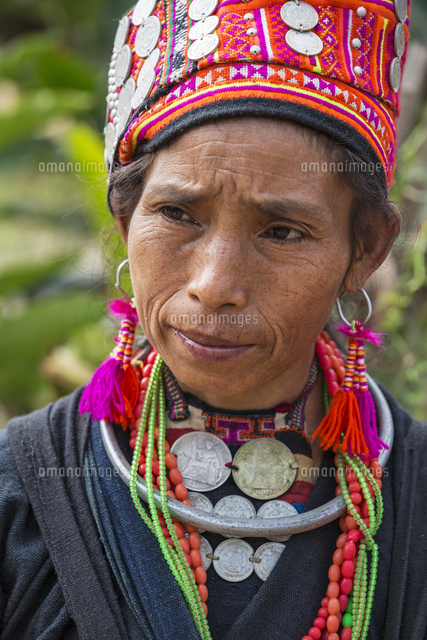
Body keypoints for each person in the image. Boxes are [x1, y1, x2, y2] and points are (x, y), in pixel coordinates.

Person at [1, 0, 425, 639]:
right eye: (176, 215)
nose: (214, 286)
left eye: (282, 231)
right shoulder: (19, 495)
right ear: (124, 220)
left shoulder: (415, 500)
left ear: (364, 250)